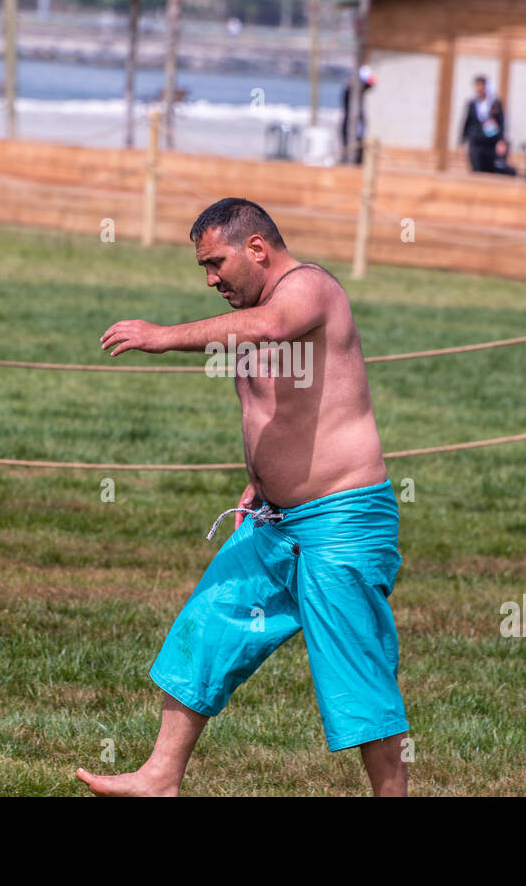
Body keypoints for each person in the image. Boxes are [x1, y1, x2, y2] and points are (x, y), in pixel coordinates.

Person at [82, 197, 410, 797]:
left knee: (355, 675)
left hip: (342, 518)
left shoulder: (309, 289)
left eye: (215, 263)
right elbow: (281, 409)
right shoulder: (259, 308)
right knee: (208, 626)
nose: (210, 280)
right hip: (275, 517)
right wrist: (262, 483)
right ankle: (159, 777)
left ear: (257, 248)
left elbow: (275, 327)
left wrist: (161, 338)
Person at [460, 75, 506, 173]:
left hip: (490, 142)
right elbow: (467, 121)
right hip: (475, 141)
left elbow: (501, 123)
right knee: (476, 168)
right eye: (477, 86)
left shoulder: (495, 103)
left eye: (481, 86)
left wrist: (501, 140)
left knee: (489, 169)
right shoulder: (472, 103)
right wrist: (462, 139)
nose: (478, 89)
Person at [340, 65, 375, 164]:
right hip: (350, 126)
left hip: (359, 127)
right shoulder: (350, 91)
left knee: (359, 153)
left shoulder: (359, 90)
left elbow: (371, 83)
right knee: (349, 151)